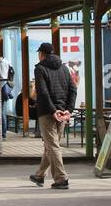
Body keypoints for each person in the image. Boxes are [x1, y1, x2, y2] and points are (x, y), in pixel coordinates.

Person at [29, 42, 76, 190]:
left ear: (42, 54)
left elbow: (42, 92)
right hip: (62, 113)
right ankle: (40, 174)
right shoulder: (64, 68)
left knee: (53, 146)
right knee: (51, 145)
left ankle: (61, 178)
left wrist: (52, 110)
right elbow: (72, 90)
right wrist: (68, 109)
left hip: (48, 113)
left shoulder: (40, 68)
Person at [0, 46, 15, 139]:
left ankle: (3, 133)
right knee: (2, 111)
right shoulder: (6, 61)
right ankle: (3, 132)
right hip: (4, 88)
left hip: (1, 88)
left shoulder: (0, 63)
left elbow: (2, 78)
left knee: (1, 112)